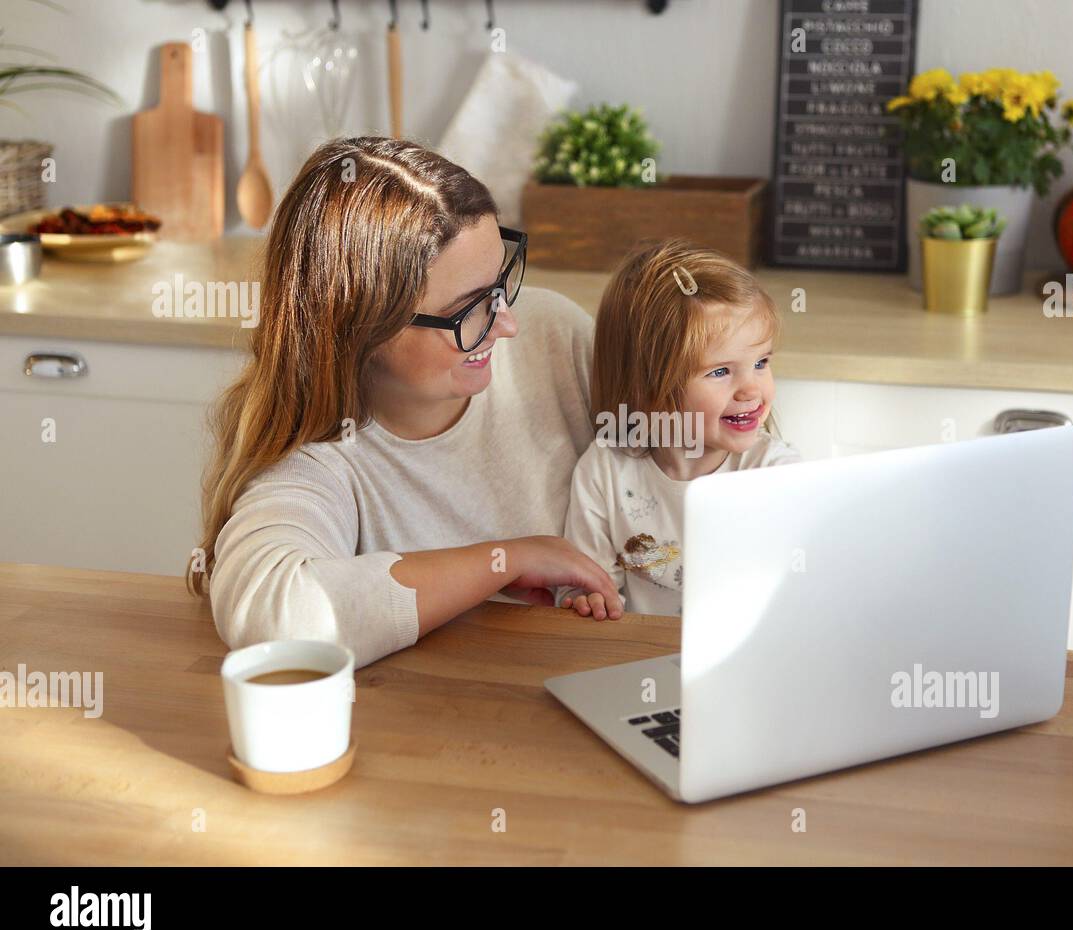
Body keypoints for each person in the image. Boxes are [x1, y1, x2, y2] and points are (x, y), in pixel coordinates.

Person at [189, 137, 623, 668]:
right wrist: (506, 561)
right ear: (363, 327)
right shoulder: (321, 456)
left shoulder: (553, 335)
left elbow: (730, 449)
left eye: (501, 282)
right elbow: (275, 614)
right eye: (469, 309)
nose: (507, 323)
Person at [558, 239, 801, 618]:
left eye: (761, 361)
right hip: (639, 662)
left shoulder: (774, 473)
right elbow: (585, 585)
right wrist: (587, 599)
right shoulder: (603, 471)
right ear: (647, 386)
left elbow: (799, 595)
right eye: (720, 371)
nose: (753, 389)